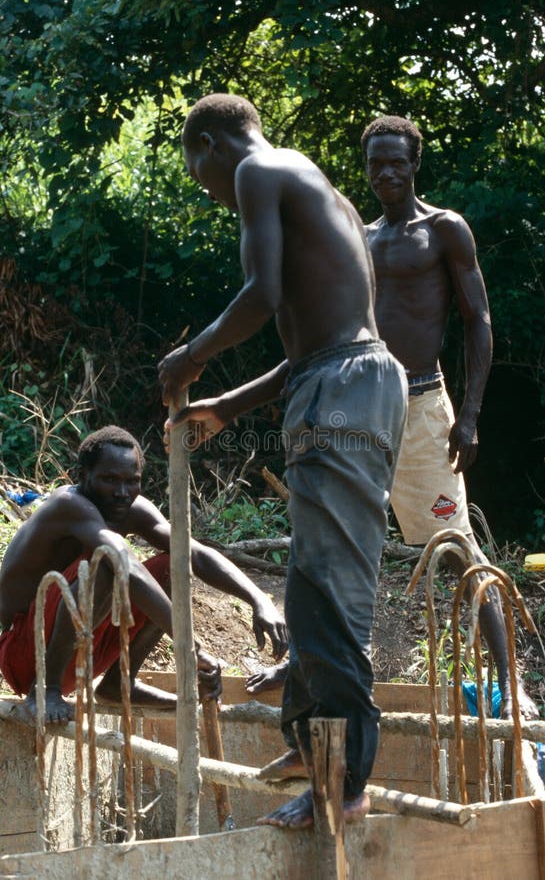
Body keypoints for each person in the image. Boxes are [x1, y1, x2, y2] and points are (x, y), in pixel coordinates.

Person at [158, 93, 408, 828]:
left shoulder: (258, 171)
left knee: (331, 590)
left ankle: (347, 779)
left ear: (207, 144)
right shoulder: (304, 180)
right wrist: (225, 407)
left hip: (345, 386)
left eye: (195, 172)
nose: (207, 190)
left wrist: (190, 357)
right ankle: (311, 741)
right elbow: (306, 343)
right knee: (307, 580)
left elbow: (261, 297)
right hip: (334, 378)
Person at [246, 114, 538, 721]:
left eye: (396, 162)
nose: (384, 173)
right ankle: (304, 663)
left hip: (426, 404)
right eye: (375, 163)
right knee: (325, 537)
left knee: (458, 545)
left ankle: (513, 686)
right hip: (361, 403)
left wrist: (472, 413)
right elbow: (327, 333)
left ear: (414, 165)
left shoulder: (444, 231)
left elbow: (477, 321)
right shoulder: (361, 239)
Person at [0, 425, 287, 726]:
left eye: (131, 481)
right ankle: (46, 690)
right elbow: (127, 567)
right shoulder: (68, 505)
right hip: (25, 656)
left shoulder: (130, 508)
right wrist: (192, 648)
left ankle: (119, 683)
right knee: (109, 560)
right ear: (83, 475)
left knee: (172, 566)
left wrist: (258, 599)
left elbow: (196, 553)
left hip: (81, 651)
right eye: (109, 480)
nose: (122, 492)